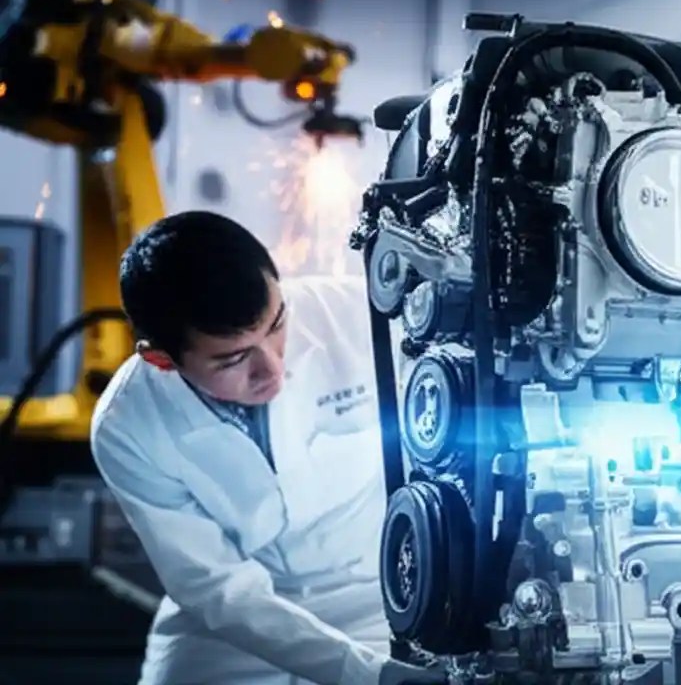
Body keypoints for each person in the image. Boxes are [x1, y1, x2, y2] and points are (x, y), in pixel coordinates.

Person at [91, 210, 441, 685]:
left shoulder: (364, 316)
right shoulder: (127, 425)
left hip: (380, 592)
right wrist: (362, 675)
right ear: (161, 359)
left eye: (277, 325)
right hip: (231, 624)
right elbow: (216, 589)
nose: (272, 369)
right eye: (233, 358)